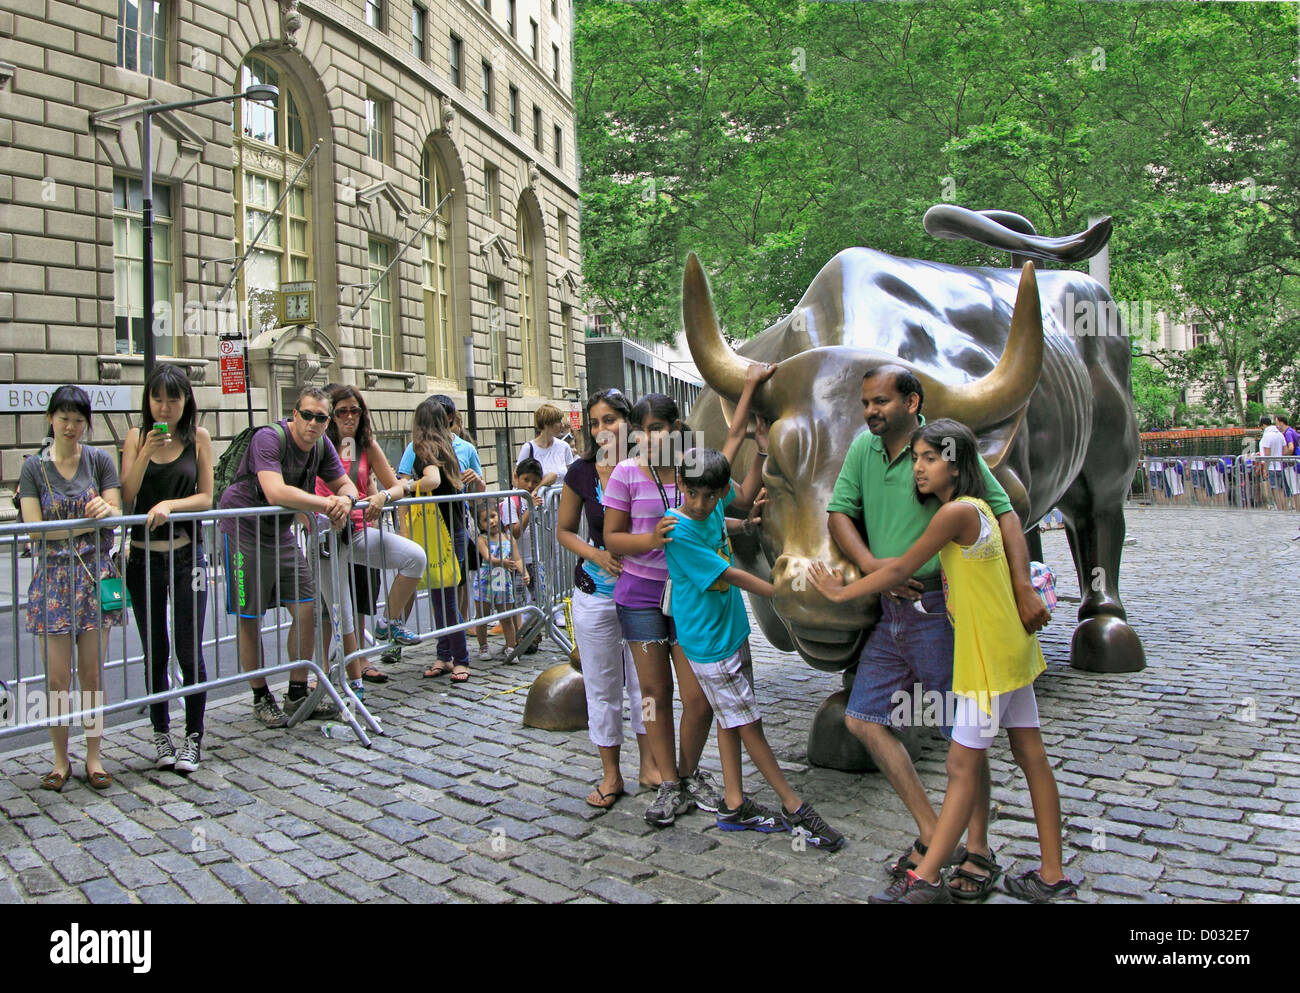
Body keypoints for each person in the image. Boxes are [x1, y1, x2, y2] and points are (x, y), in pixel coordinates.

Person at [810, 419, 1074, 902]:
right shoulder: (974, 510)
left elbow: (901, 568)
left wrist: (840, 590)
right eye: (915, 459)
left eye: (930, 458)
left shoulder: (956, 515)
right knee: (1030, 754)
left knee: (958, 765)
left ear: (956, 464)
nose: (919, 469)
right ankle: (1052, 874)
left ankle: (926, 878)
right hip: (1012, 650)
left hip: (986, 658)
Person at [603, 366, 772, 827]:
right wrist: (651, 540)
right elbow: (612, 540)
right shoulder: (624, 474)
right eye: (640, 431)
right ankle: (668, 785)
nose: (647, 438)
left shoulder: (694, 466)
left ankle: (689, 772)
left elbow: (734, 438)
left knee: (698, 698)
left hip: (690, 599)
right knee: (654, 693)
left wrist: (752, 385)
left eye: (656, 428)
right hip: (640, 597)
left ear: (676, 429)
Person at [665, 445, 845, 848]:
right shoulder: (675, 529)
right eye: (692, 494)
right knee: (749, 725)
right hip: (709, 645)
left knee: (732, 719)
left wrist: (745, 524)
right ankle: (793, 805)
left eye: (711, 496)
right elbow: (732, 574)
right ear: (680, 486)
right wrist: (783, 593)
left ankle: (733, 804)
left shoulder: (710, 506)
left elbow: (724, 514)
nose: (701, 504)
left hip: (730, 630)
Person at [218, 385, 358, 726]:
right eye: (307, 415)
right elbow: (275, 490)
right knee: (250, 616)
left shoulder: (322, 444)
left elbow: (346, 483)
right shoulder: (269, 438)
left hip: (279, 531)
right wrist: (327, 503)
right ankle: (260, 695)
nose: (313, 423)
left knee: (307, 608)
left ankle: (297, 693)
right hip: (243, 528)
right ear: (294, 415)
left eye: (321, 418)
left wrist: (347, 500)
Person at [19, 385, 124, 791]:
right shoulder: (34, 468)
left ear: (86, 423)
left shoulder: (98, 460)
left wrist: (107, 511)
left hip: (95, 576)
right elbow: (35, 533)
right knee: (58, 678)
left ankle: (94, 755)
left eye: (78, 419)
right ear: (51, 419)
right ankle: (60, 759)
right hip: (52, 581)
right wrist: (88, 523)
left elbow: (117, 514)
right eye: (64, 418)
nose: (71, 426)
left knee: (94, 674)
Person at [557, 388, 656, 808]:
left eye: (610, 420)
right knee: (602, 687)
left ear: (628, 423)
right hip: (594, 593)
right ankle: (611, 774)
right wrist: (596, 552)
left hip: (641, 594)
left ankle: (651, 765)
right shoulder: (580, 473)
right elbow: (563, 530)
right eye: (594, 423)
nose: (602, 430)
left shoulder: (648, 467)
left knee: (645, 688)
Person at [119, 364, 214, 772]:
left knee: (189, 649)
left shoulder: (199, 438)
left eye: (173, 399)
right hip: (142, 558)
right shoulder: (136, 437)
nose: (165, 406)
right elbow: (127, 493)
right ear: (148, 401)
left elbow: (207, 497)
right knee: (155, 651)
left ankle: (193, 736)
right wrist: (143, 453)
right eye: (157, 398)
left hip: (185, 557)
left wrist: (170, 506)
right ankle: (162, 733)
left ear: (185, 401)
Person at [314, 385, 427, 695]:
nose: (349, 416)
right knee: (341, 611)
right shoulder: (318, 443)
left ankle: (387, 622)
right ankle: (353, 683)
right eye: (342, 411)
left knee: (414, 557)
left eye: (355, 410)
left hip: (359, 532)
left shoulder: (367, 445)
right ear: (331, 415)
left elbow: (399, 486)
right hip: (325, 536)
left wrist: (382, 495)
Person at [398, 397, 470, 682]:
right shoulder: (448, 446)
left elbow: (432, 481)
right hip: (451, 527)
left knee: (445, 599)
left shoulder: (424, 447)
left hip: (442, 531)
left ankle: (459, 658)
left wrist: (407, 486)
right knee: (443, 598)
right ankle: (445, 654)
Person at [472, 503, 526, 656]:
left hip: (503, 581)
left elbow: (517, 559)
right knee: (482, 616)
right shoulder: (482, 538)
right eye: (485, 520)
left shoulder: (508, 537)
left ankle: (510, 647)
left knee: (507, 616)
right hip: (485, 580)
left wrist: (524, 573)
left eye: (493, 516)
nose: (491, 522)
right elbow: (488, 557)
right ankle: (483, 646)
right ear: (480, 525)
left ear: (499, 516)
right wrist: (502, 562)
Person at [500, 456, 544, 628]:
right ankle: (518, 635)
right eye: (526, 480)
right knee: (517, 603)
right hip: (518, 561)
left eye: (535, 481)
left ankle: (532, 633)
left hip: (535, 558)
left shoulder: (534, 499)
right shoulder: (512, 502)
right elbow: (515, 532)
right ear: (515, 477)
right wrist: (530, 510)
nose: (530, 485)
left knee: (540, 599)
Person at [517, 403, 574, 493]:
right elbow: (516, 478)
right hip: (538, 504)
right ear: (547, 423)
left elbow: (572, 476)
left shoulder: (564, 447)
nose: (562, 425)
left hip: (561, 502)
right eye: (558, 421)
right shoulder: (528, 448)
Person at [1259, 414, 1285, 510]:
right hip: (1280, 465)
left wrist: (1265, 469)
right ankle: (1283, 509)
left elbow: (1267, 455)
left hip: (1271, 467)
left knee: (1274, 490)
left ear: (1263, 425)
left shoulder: (1267, 436)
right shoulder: (1279, 434)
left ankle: (1279, 509)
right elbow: (1284, 449)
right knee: (1280, 490)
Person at [1275, 413, 1299, 511]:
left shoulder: (1288, 433)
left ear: (1281, 422)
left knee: (1295, 488)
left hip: (1291, 465)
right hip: (1295, 464)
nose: (1276, 426)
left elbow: (1291, 448)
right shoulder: (1292, 431)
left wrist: (1283, 456)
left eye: (1277, 423)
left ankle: (1298, 509)